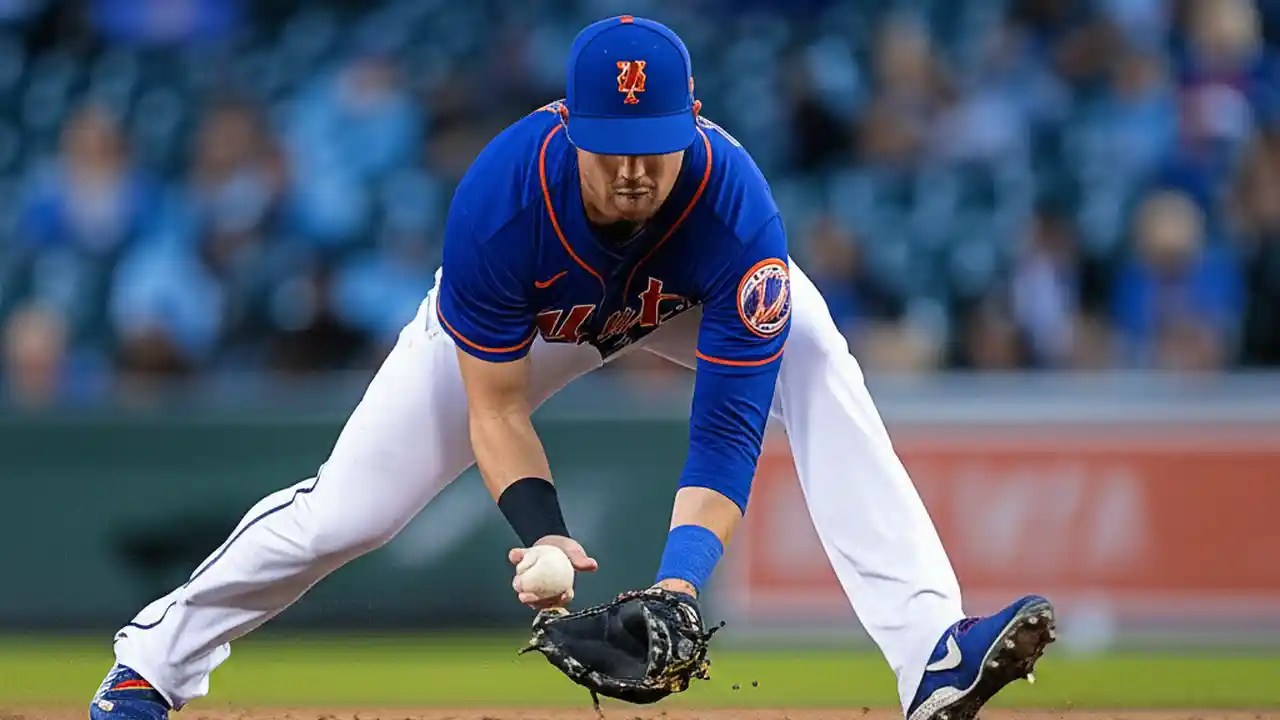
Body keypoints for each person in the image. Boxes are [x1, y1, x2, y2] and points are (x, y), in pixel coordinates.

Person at [89, 16, 1054, 720]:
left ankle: (929, 651)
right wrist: (543, 536)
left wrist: (680, 586)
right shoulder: (501, 205)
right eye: (612, 149)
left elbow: (726, 425)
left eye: (655, 147)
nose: (634, 169)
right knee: (350, 511)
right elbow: (497, 409)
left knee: (808, 344)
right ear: (568, 125)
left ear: (696, 123)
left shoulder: (734, 208)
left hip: (679, 298)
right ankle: (153, 662)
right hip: (530, 321)